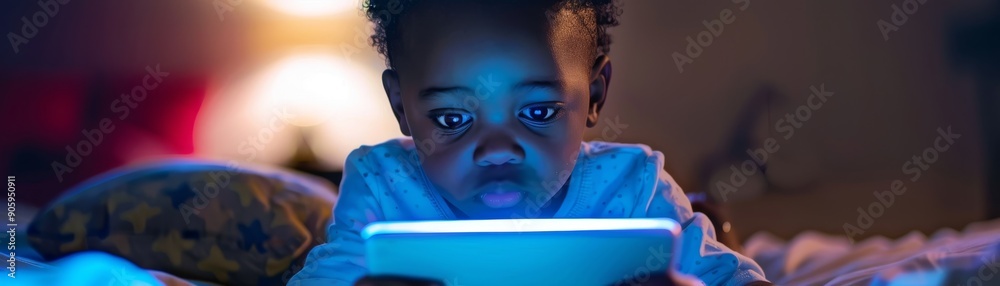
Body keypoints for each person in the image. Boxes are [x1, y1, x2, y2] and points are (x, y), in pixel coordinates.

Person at [289, 0, 770, 285]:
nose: (498, 149)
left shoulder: (633, 187)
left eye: (538, 113)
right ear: (401, 108)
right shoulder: (381, 184)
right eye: (453, 118)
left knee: (707, 233)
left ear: (596, 94)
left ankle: (713, 219)